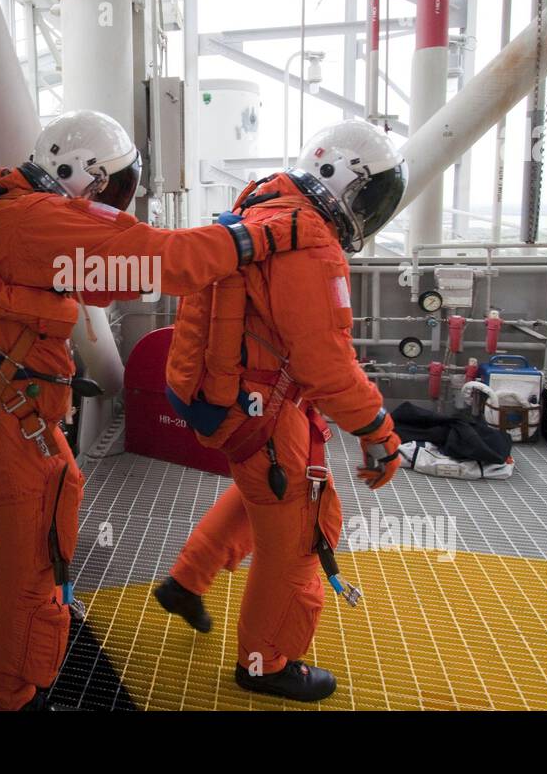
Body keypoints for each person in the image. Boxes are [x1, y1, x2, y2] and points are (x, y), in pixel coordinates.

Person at [0, 109, 336, 711]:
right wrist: (256, 237)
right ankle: (14, 696)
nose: (116, 200)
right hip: (4, 418)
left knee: (47, 509)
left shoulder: (8, 209)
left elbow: (103, 280)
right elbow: (164, 263)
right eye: (115, 186)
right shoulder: (36, 223)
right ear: (88, 176)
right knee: (34, 570)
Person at [155, 119, 406, 702]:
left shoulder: (261, 209)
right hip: (261, 408)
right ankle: (264, 664)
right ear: (345, 180)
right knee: (297, 533)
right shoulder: (310, 243)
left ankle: (186, 582)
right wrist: (377, 430)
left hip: (243, 403)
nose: (368, 211)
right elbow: (325, 363)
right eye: (370, 197)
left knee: (261, 493)